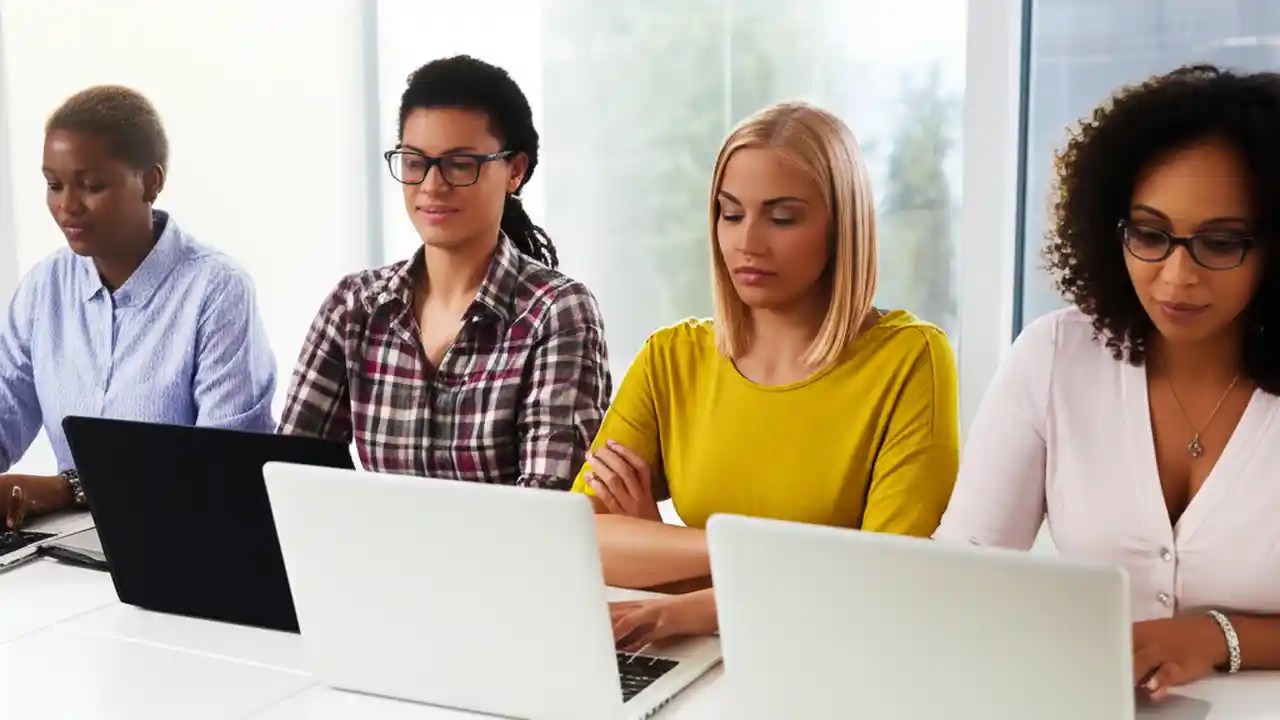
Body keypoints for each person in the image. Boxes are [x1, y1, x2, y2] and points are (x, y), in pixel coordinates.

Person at [935, 65, 1280, 698]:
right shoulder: (1056, 356)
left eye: (1221, 243)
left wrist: (1217, 637)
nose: (1177, 277)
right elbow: (963, 568)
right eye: (1150, 235)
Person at [573, 102, 960, 650]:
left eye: (782, 218)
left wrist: (671, 579)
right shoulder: (671, 357)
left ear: (841, 225)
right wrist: (744, 555)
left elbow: (886, 578)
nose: (747, 242)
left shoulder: (908, 359)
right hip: (704, 658)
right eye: (731, 214)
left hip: (834, 657)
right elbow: (582, 541)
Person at [278, 56, 610, 487]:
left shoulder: (556, 312)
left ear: (515, 170)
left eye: (459, 164)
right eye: (415, 162)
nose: (432, 186)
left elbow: (551, 504)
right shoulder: (354, 307)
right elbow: (290, 478)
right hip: (370, 554)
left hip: (510, 556)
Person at [0, 85, 277, 529]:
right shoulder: (44, 288)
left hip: (187, 542)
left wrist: (68, 487)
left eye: (91, 186)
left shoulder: (217, 291)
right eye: (53, 185)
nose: (67, 206)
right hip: (73, 548)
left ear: (151, 182)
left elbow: (227, 468)